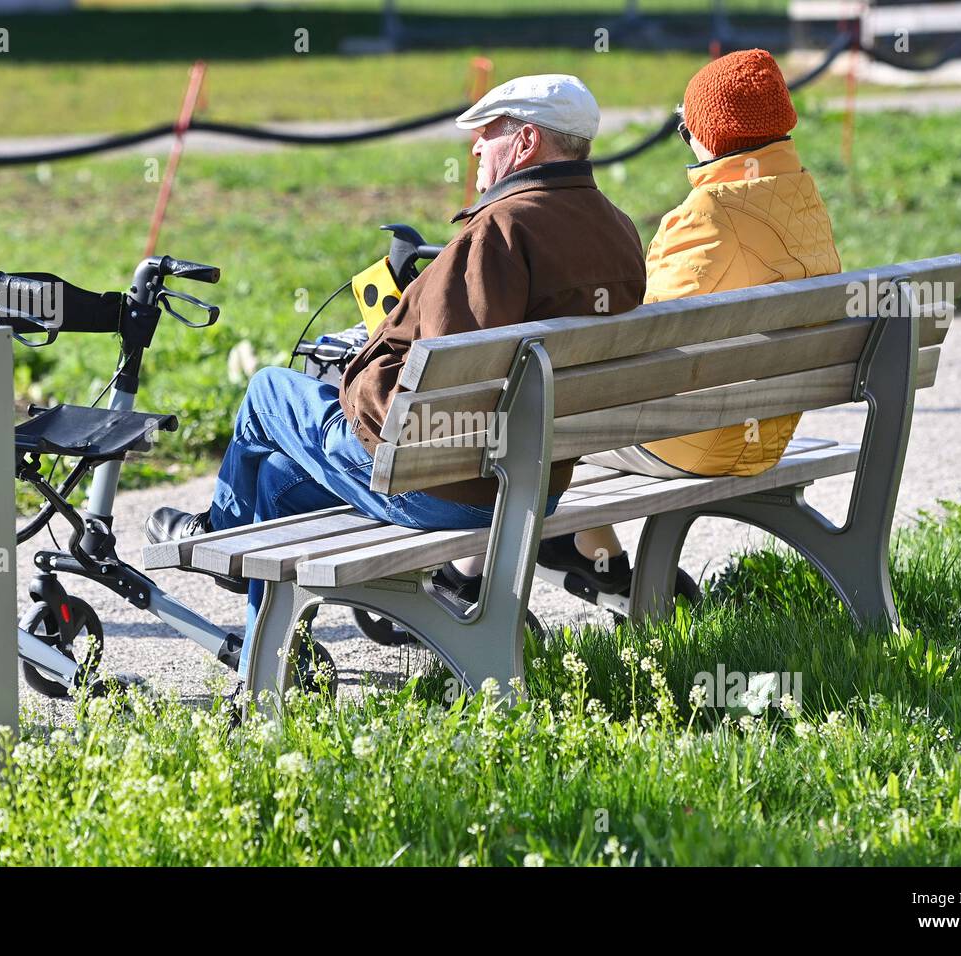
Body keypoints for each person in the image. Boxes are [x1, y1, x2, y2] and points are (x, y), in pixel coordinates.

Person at [146, 74, 647, 677]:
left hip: (450, 483)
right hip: (541, 476)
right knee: (276, 481)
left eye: (487, 136)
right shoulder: (617, 229)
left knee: (268, 391)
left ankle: (218, 540)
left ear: (527, 142)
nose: (476, 149)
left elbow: (436, 400)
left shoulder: (499, 232)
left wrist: (358, 386)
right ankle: (269, 663)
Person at [535, 48, 844, 597]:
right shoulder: (803, 200)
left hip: (699, 438)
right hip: (768, 429)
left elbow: (638, 337)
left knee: (531, 420)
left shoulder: (709, 215)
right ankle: (591, 553)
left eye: (687, 129)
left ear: (713, 135)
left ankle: (468, 581)